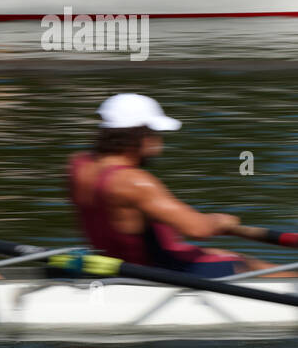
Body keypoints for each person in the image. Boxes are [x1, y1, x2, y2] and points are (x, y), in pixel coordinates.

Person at [67, 94, 279, 276]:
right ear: (140, 138)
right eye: (156, 136)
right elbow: (198, 229)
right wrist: (221, 221)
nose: (160, 145)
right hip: (150, 272)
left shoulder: (78, 164)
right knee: (246, 265)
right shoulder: (134, 182)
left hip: (114, 262)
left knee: (219, 253)